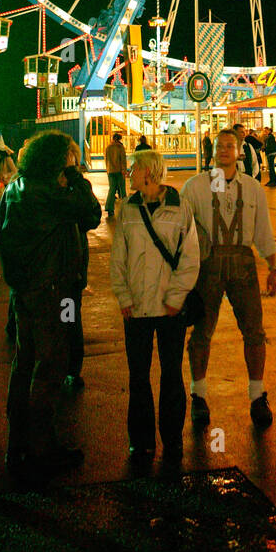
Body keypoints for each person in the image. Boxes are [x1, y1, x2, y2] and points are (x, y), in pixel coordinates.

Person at [0, 130, 89, 482]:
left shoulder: (17, 188)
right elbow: (91, 213)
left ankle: (17, 444)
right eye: (69, 154)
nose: (73, 159)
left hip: (26, 291)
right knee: (52, 362)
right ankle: (42, 447)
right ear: (57, 159)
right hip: (57, 290)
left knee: (24, 364)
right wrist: (77, 177)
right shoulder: (50, 192)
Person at [182, 128, 276, 428]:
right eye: (219, 146)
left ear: (239, 151)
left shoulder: (252, 188)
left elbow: (263, 230)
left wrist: (273, 267)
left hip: (243, 262)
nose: (224, 150)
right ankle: (198, 396)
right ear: (212, 151)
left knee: (254, 331)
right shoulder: (195, 187)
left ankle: (257, 395)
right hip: (207, 265)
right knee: (202, 333)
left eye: (229, 146)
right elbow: (181, 231)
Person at [110, 149, 200, 465]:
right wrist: (124, 298)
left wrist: (176, 299)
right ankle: (141, 439)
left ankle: (172, 438)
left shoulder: (180, 208)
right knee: (138, 375)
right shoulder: (128, 210)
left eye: (133, 168)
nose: (129, 173)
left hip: (169, 310)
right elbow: (118, 259)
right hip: (135, 310)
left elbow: (190, 259)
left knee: (171, 374)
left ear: (148, 172)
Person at [61, 143, 102, 390]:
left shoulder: (78, 185)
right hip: (45, 272)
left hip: (69, 270)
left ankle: (71, 369)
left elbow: (93, 217)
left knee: (69, 317)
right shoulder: (36, 183)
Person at [103, 131, 128, 219]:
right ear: (119, 139)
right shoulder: (120, 147)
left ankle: (109, 208)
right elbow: (123, 160)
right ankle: (126, 207)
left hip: (110, 171)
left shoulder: (108, 147)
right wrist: (124, 170)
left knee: (112, 189)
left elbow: (106, 159)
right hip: (119, 171)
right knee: (122, 190)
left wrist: (108, 169)